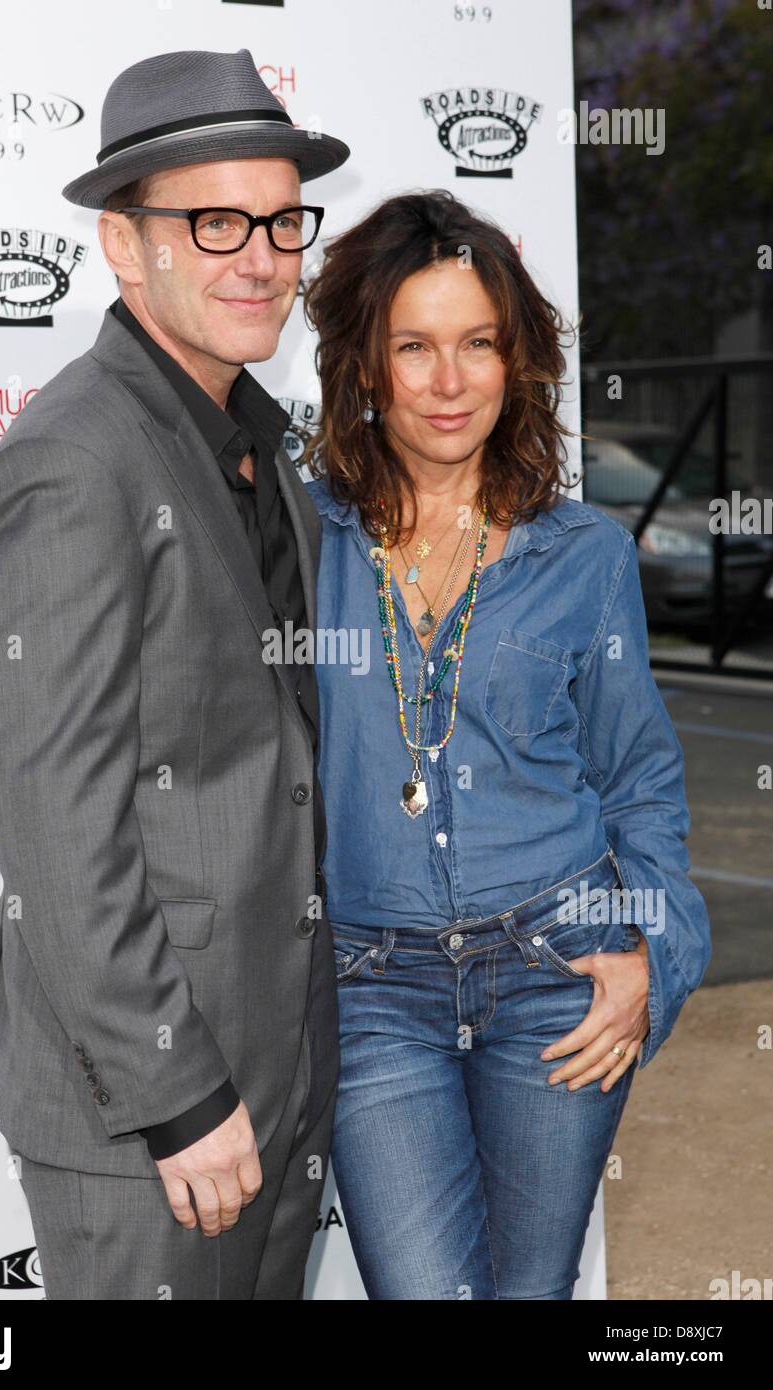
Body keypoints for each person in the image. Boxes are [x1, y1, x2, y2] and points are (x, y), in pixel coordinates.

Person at [0, 48, 350, 1300]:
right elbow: (56, 827)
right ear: (126, 248)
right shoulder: (77, 461)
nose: (260, 255)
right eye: (215, 220)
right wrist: (180, 1094)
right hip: (153, 1108)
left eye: (283, 220)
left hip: (278, 1067)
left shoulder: (257, 442)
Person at [300, 190, 713, 1300]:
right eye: (415, 347)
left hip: (558, 971)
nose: (449, 382)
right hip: (372, 986)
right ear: (363, 366)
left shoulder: (584, 554)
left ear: (515, 357)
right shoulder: (298, 544)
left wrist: (646, 961)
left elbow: (637, 778)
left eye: (477, 344)